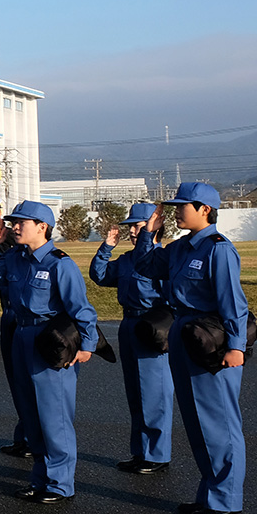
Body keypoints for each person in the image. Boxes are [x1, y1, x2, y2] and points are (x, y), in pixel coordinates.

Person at [131, 183, 251, 514]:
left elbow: (234, 304)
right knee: (198, 422)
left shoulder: (218, 249)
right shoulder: (181, 247)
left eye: (184, 206)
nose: (177, 211)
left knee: (220, 423)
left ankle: (226, 500)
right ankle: (210, 493)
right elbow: (146, 266)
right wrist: (147, 235)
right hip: (184, 336)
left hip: (211, 341)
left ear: (205, 210)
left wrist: (236, 347)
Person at [0, 201, 97, 504]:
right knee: (31, 413)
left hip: (49, 338)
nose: (15, 227)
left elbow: (81, 309)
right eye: (14, 222)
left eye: (22, 222)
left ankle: (60, 484)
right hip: (21, 335)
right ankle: (41, 478)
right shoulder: (15, 258)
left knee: (53, 415)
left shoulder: (59, 263)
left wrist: (87, 344)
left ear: (42, 226)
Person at [91, 203, 173, 475]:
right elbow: (100, 276)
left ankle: (157, 454)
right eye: (132, 227)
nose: (133, 231)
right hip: (129, 324)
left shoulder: (162, 258)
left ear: (155, 226)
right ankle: (141, 452)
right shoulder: (127, 259)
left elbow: (174, 297)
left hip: (152, 325)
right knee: (136, 393)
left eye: (138, 226)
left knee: (155, 393)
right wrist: (106, 248)